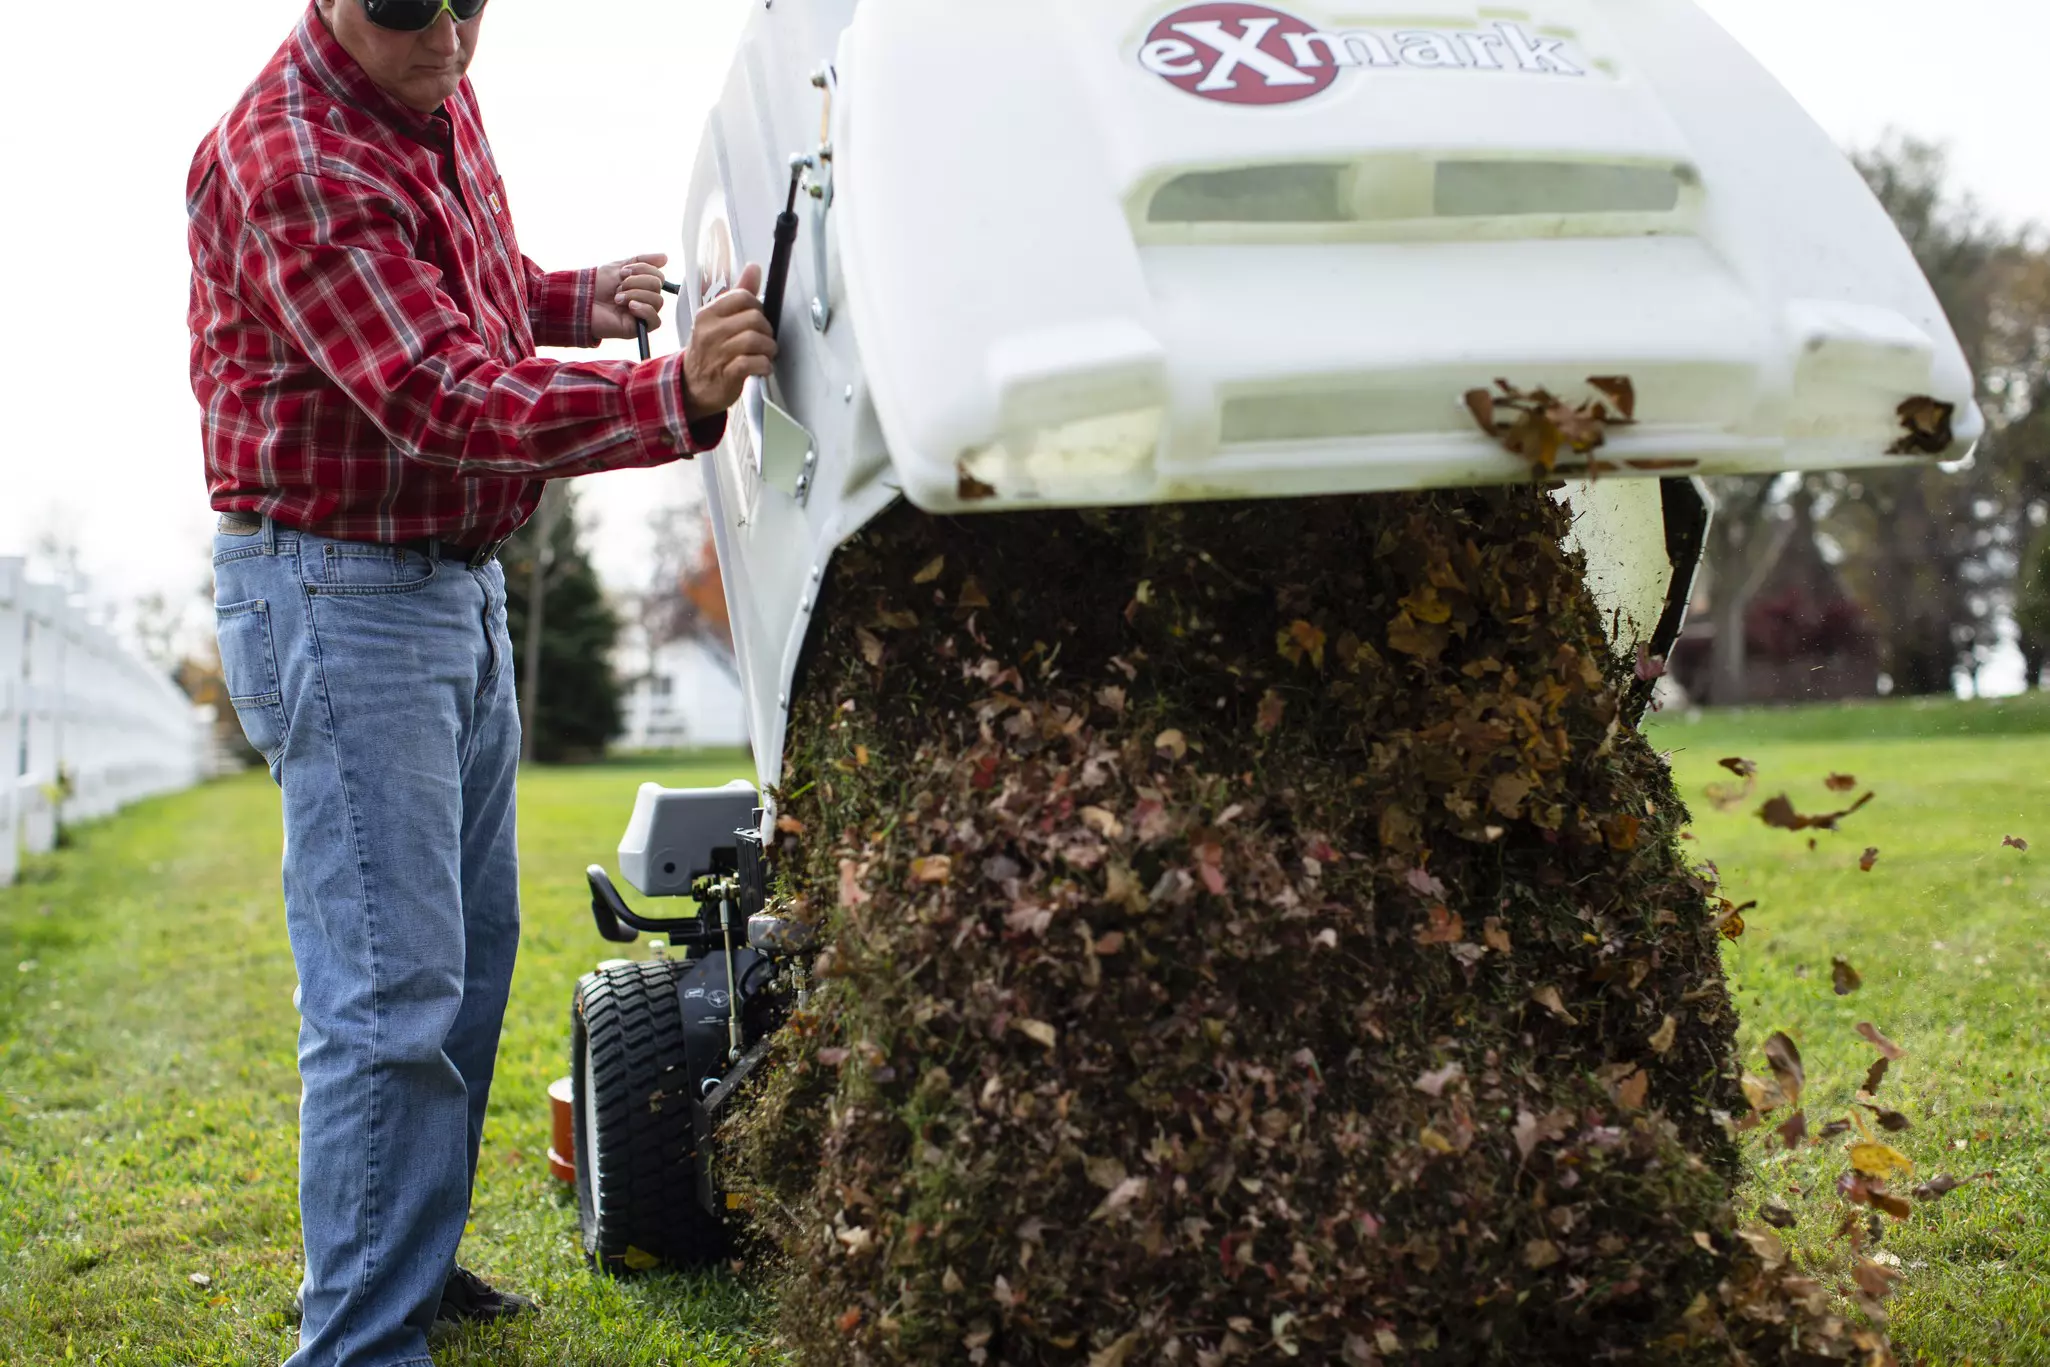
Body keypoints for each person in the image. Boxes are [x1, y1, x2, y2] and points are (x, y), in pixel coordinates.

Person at [185, 2, 774, 1363]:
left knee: (462, 971)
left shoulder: (427, 89)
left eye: (472, 3)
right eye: (410, 9)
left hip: (448, 583)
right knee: (386, 1001)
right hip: (338, 594)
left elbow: (465, 285)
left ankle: (411, 1266)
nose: (448, 38)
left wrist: (574, 295)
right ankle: (358, 1342)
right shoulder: (296, 161)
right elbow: (439, 394)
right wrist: (668, 400)